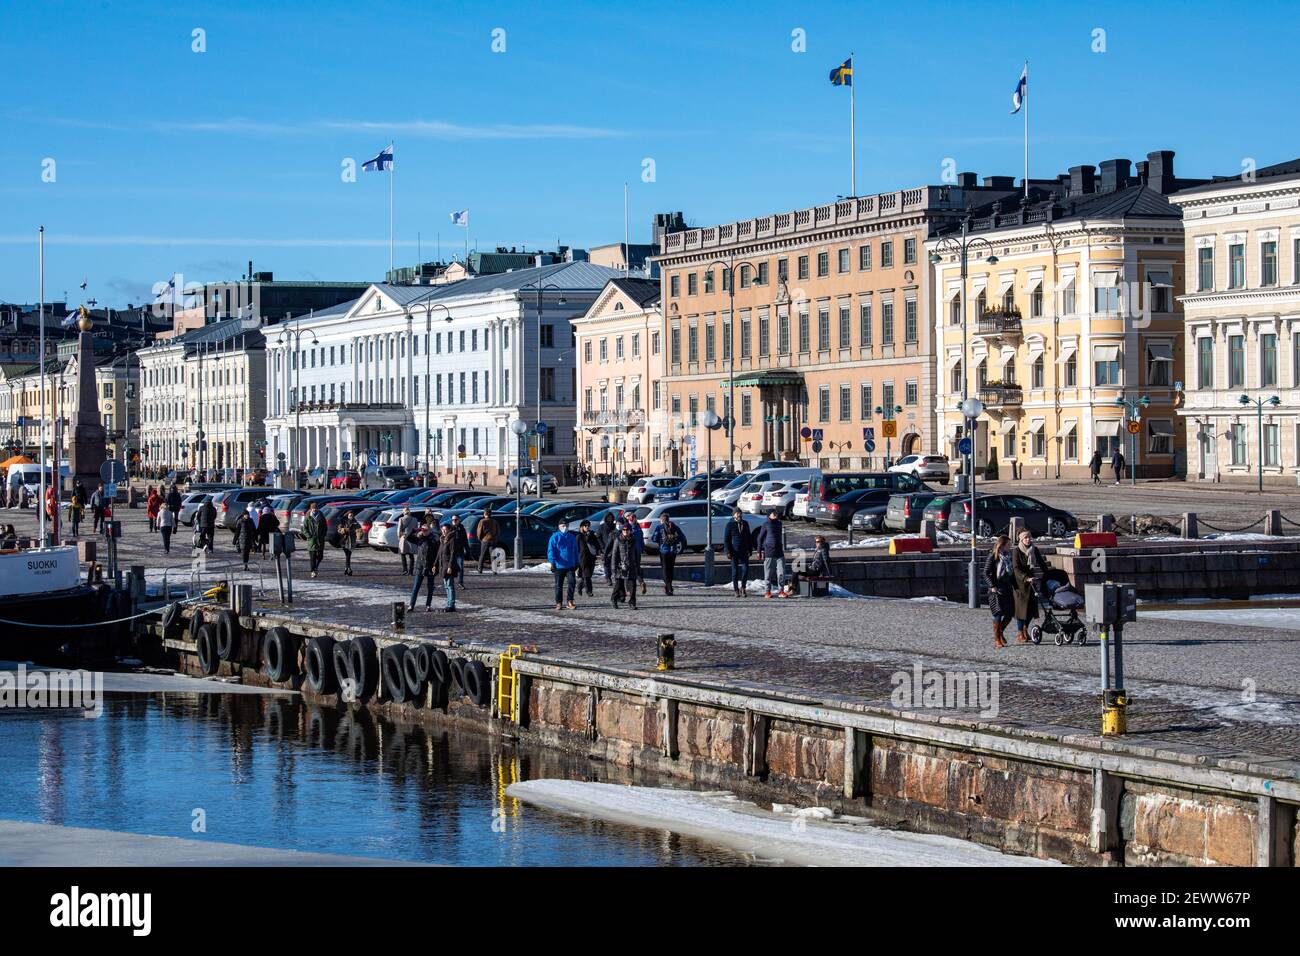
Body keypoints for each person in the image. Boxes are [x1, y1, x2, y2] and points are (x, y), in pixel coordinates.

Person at [1011, 528, 1047, 643]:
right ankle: (1020, 632)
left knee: (1032, 609)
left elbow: (1041, 563)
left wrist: (1048, 574)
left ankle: (1026, 628)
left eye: (1029, 537)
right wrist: (1025, 578)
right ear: (1021, 540)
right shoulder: (1017, 551)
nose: (1028, 539)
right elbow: (1016, 568)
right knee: (1021, 610)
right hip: (1020, 583)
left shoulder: (1034, 549)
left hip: (1032, 582)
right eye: (1025, 538)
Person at [983, 534, 1015, 648]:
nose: (1010, 547)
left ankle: (1000, 631)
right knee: (998, 613)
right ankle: (997, 639)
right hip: (996, 589)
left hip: (1007, 588)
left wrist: (1016, 587)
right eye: (1008, 545)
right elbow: (986, 573)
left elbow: (1011, 574)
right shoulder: (993, 557)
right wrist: (992, 585)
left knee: (1010, 613)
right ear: (1002, 545)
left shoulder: (1008, 556)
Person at [649, 513, 687, 595]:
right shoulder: (675, 527)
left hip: (664, 551)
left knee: (665, 569)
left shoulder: (660, 527)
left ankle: (669, 587)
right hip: (673, 551)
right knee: (671, 569)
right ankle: (668, 587)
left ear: (661, 520)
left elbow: (654, 539)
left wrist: (660, 540)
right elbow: (682, 538)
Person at [547, 520, 580, 610]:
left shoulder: (572, 537)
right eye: (563, 525)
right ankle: (559, 602)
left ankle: (570, 601)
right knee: (558, 585)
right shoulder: (554, 537)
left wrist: (577, 561)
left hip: (570, 565)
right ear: (559, 526)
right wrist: (552, 562)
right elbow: (551, 551)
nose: (565, 527)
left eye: (566, 525)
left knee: (572, 582)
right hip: (559, 565)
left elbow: (575, 551)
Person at [408, 515, 438, 611]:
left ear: (429, 530)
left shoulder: (433, 539)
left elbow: (437, 554)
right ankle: (411, 605)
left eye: (426, 530)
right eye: (423, 530)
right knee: (416, 587)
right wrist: (416, 530)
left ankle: (428, 605)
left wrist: (435, 565)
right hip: (420, 566)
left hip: (430, 566)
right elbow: (408, 537)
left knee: (430, 587)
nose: (424, 531)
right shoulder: (420, 539)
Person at [754, 510, 787, 599]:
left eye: (776, 513)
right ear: (769, 515)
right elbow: (760, 538)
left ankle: (781, 591)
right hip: (769, 551)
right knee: (768, 573)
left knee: (781, 572)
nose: (776, 514)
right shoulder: (766, 524)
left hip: (779, 551)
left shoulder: (779, 523)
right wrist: (759, 551)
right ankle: (767, 591)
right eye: (773, 513)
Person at [723, 510, 754, 597]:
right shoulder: (730, 524)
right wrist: (728, 551)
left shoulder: (745, 523)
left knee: (745, 570)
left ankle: (743, 587)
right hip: (734, 551)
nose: (739, 515)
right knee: (735, 571)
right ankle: (736, 589)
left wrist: (750, 549)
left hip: (744, 550)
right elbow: (726, 539)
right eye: (737, 513)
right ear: (733, 515)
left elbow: (749, 537)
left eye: (740, 513)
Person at [610, 522, 641, 609]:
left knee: (632, 585)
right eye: (623, 530)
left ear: (630, 531)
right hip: (621, 566)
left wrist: (638, 566)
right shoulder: (618, 540)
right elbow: (614, 555)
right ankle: (614, 599)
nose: (625, 531)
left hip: (631, 566)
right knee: (618, 585)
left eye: (627, 530)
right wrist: (613, 569)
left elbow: (637, 554)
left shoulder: (633, 540)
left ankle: (632, 602)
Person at [434, 523, 459, 612]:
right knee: (446, 586)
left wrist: (450, 566)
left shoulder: (452, 539)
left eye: (445, 530)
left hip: (448, 565)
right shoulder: (443, 539)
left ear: (449, 530)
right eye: (442, 529)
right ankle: (449, 603)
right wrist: (435, 564)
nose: (443, 531)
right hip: (443, 565)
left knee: (450, 585)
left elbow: (453, 553)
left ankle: (451, 605)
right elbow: (439, 553)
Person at [575, 518, 600, 597]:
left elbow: (597, 545)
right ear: (582, 527)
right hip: (582, 558)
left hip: (591, 558)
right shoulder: (579, 536)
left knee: (587, 575)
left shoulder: (592, 535)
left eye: (588, 526)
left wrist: (599, 551)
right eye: (585, 526)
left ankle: (580, 585)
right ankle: (589, 591)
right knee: (587, 575)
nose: (587, 527)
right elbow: (576, 548)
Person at [302, 501, 327, 578]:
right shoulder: (308, 517)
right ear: (311, 509)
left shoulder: (321, 517)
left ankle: (316, 567)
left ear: (318, 509)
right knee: (312, 557)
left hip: (320, 540)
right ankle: (312, 571)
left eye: (316, 509)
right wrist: (309, 536)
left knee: (320, 556)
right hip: (312, 540)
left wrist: (322, 535)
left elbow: (325, 528)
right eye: (313, 509)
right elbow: (304, 528)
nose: (315, 510)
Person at [337, 510, 361, 576]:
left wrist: (359, 536)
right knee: (347, 555)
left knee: (348, 555)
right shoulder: (343, 522)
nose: (351, 517)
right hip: (344, 540)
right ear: (347, 515)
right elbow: (339, 530)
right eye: (350, 515)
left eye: (352, 516)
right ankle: (348, 568)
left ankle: (347, 568)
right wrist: (344, 530)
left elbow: (359, 530)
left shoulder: (355, 522)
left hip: (352, 541)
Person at [476, 507, 500, 574]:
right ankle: (494, 570)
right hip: (493, 540)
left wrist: (480, 538)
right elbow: (498, 531)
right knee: (493, 555)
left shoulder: (482, 521)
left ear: (485, 514)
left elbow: (479, 532)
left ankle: (480, 569)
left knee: (482, 555)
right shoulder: (494, 521)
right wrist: (496, 538)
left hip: (485, 540)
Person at [597, 512, 619, 583]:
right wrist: (602, 546)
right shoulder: (602, 527)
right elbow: (598, 537)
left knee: (614, 562)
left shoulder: (614, 526)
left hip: (614, 547)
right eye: (608, 518)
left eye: (611, 518)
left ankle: (614, 576)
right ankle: (607, 577)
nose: (610, 519)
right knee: (606, 563)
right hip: (605, 548)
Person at [234, 505, 257, 570]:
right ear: (243, 515)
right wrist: (234, 540)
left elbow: (254, 530)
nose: (247, 516)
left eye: (248, 515)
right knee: (244, 553)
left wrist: (256, 538)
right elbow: (237, 532)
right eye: (246, 515)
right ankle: (245, 565)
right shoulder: (240, 521)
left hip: (249, 539)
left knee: (247, 553)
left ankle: (246, 565)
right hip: (242, 540)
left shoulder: (251, 521)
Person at [448, 513, 469, 587]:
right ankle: (450, 582)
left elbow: (465, 540)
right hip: (451, 551)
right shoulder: (450, 528)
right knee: (451, 567)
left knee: (460, 567)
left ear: (459, 520)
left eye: (455, 520)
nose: (454, 521)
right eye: (453, 520)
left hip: (460, 551)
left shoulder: (462, 528)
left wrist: (467, 550)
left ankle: (460, 582)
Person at [397, 507, 418, 575]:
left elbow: (399, 530)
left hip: (404, 537)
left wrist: (399, 537)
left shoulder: (401, 519)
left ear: (404, 512)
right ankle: (411, 571)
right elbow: (416, 529)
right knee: (411, 555)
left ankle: (405, 569)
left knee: (403, 554)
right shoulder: (415, 519)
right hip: (411, 537)